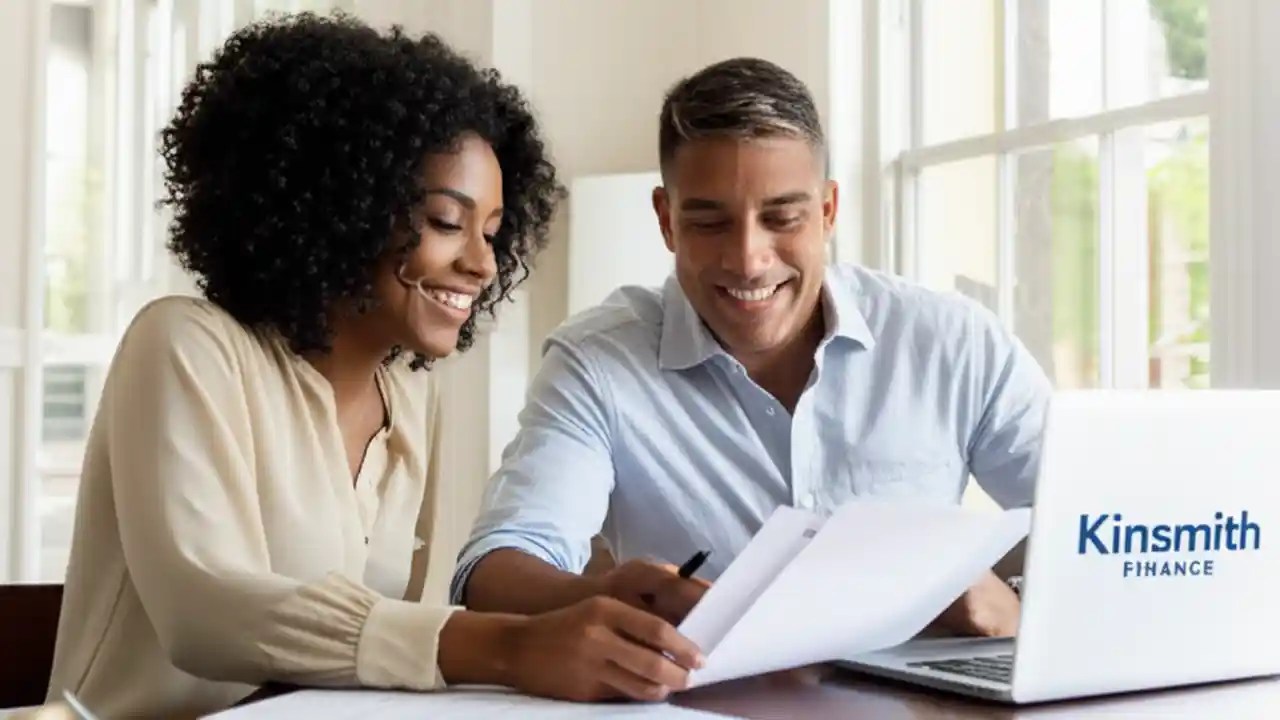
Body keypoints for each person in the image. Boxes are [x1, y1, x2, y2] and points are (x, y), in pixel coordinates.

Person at [45, 14, 702, 718]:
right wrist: (511, 645)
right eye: (448, 223)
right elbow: (206, 611)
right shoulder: (186, 346)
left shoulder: (413, 398)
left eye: (491, 232)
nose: (482, 263)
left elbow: (362, 649)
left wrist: (586, 600)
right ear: (340, 204)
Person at [453, 57, 1050, 639]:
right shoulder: (599, 362)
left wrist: (1013, 602)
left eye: (783, 217)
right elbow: (493, 570)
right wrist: (604, 598)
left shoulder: (954, 343)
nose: (747, 259)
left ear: (827, 211)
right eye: (710, 223)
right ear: (666, 220)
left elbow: (1108, 533)